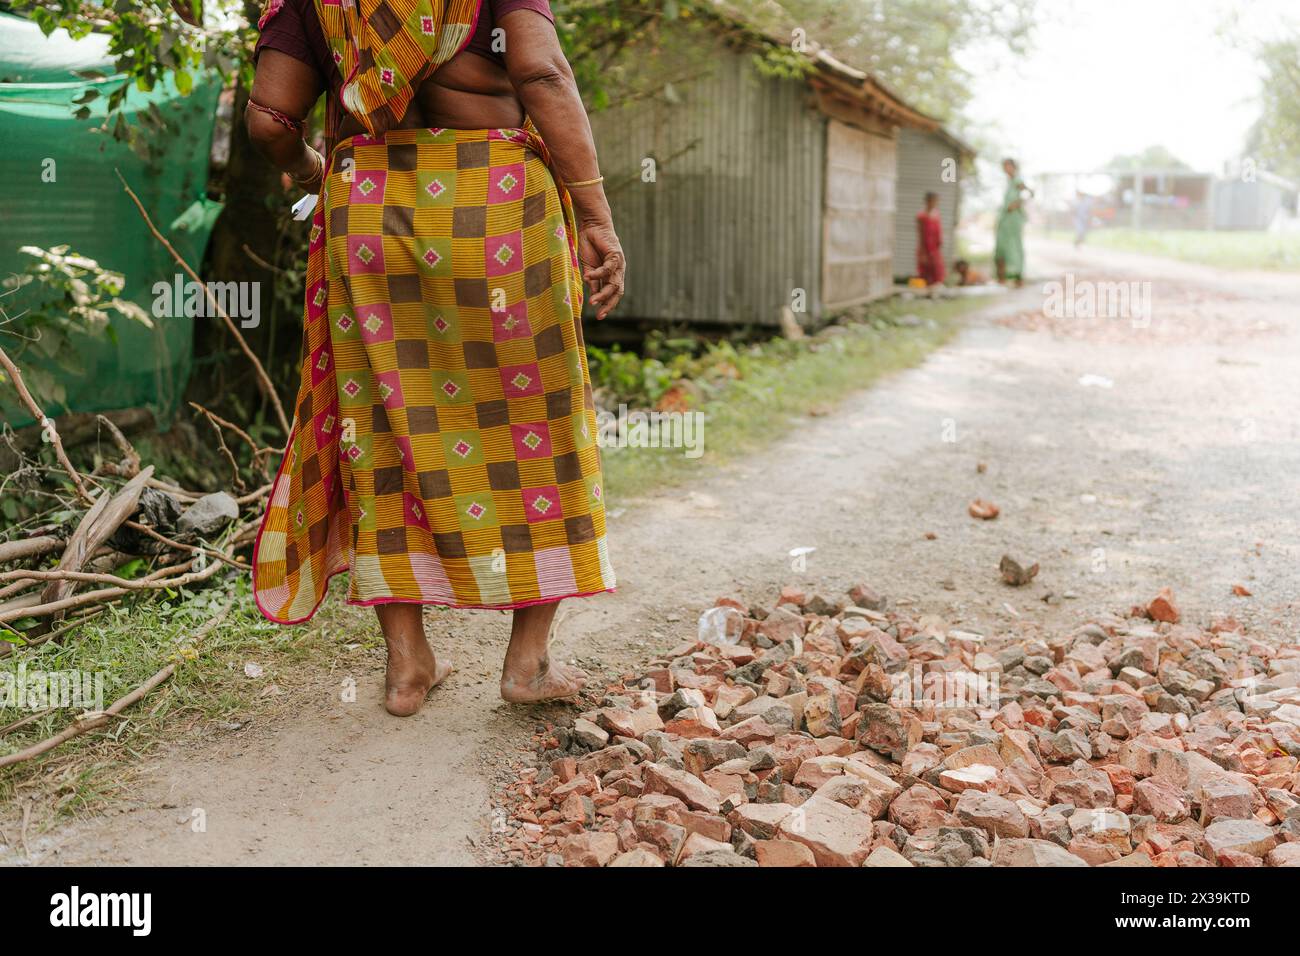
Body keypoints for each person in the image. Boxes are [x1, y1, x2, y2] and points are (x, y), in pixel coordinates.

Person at [246, 0, 626, 716]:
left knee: (385, 429)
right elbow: (541, 72)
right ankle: (527, 663)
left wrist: (308, 173)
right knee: (538, 425)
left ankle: (407, 667)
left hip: (369, 211)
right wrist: (597, 215)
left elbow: (270, 118)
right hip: (497, 205)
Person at [994, 157, 1032, 287]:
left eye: (1008, 166)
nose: (1005, 169)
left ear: (1013, 167)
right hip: (1005, 219)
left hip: (1014, 219)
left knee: (1014, 246)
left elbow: (1029, 193)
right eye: (1004, 166)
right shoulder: (1009, 182)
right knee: (1002, 247)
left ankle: (1018, 276)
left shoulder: (1017, 180)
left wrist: (1016, 204)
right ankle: (1004, 277)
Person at [915, 191, 945, 290]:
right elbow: (920, 234)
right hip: (925, 246)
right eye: (931, 201)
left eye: (935, 202)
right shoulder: (921, 216)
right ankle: (926, 290)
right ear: (927, 202)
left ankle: (935, 289)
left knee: (936, 268)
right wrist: (923, 251)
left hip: (934, 247)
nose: (933, 204)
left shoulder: (936, 215)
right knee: (925, 269)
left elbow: (938, 231)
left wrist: (940, 242)